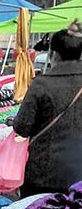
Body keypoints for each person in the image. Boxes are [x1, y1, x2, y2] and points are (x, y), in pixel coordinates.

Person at [12, 19, 82, 196]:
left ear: (54, 55)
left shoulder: (42, 84)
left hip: (43, 176)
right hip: (79, 176)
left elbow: (22, 128)